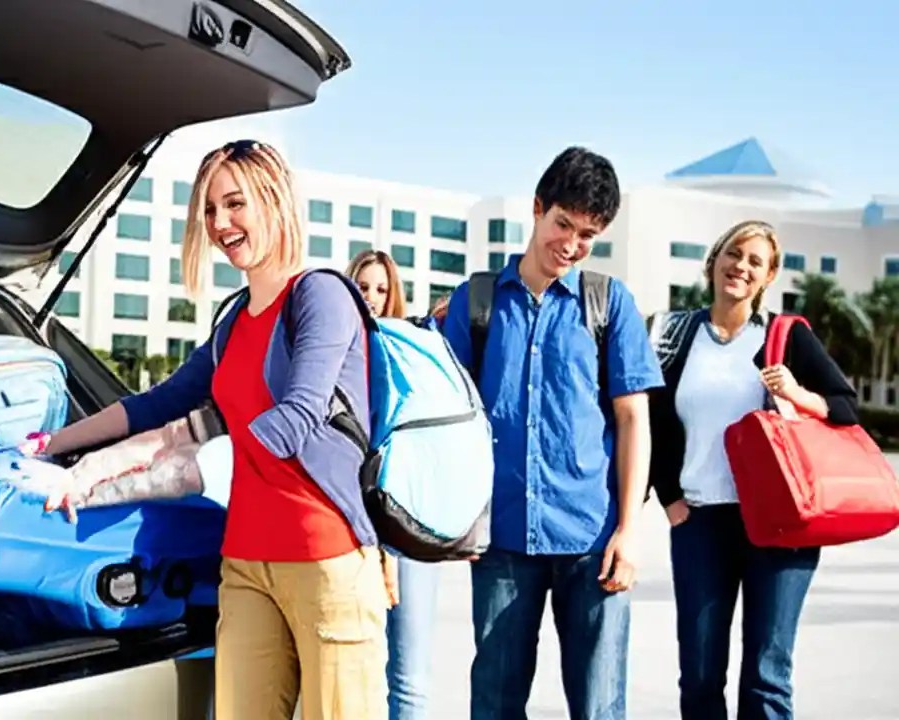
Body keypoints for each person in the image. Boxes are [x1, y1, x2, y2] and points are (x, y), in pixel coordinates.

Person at [43, 140, 392, 720]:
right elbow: (159, 404)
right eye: (208, 209)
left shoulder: (321, 296)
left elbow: (299, 416)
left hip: (325, 562)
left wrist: (182, 464)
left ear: (273, 199)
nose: (220, 223)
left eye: (235, 204)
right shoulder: (234, 319)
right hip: (246, 564)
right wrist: (57, 447)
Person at [440, 146, 663, 719]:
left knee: (598, 705)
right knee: (494, 702)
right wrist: (461, 518)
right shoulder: (478, 301)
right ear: (537, 209)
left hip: (593, 542)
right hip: (503, 541)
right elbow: (451, 420)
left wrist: (631, 532)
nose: (570, 243)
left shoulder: (609, 304)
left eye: (587, 234)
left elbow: (634, 418)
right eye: (562, 223)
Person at [646, 220, 858, 720]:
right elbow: (649, 416)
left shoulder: (787, 337)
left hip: (781, 524)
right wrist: (669, 495)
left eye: (755, 261)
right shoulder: (672, 333)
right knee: (699, 675)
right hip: (701, 522)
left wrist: (795, 393)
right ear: (715, 259)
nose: (740, 266)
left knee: (766, 678)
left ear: (768, 277)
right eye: (733, 254)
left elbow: (845, 407)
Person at [347, 248, 439, 720]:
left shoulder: (408, 349)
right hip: (354, 527)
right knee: (353, 670)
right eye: (363, 287)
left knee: (409, 676)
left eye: (382, 289)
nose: (373, 298)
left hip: (408, 521)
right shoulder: (334, 352)